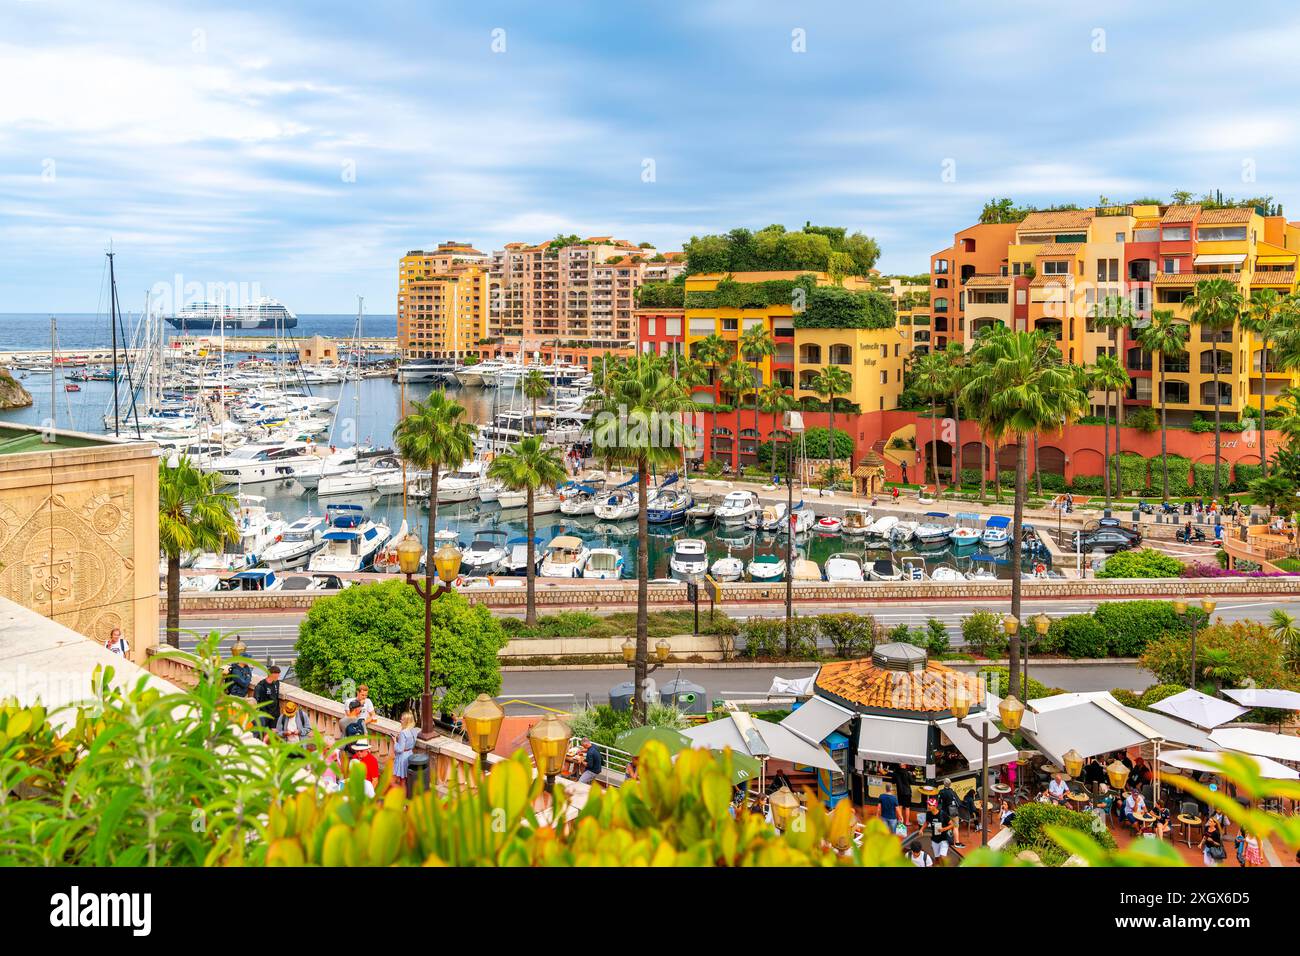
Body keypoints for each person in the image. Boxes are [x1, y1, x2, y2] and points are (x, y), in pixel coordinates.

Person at [253, 665, 282, 732]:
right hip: (265, 714)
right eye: (277, 675)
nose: (278, 677)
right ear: (272, 674)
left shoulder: (277, 683)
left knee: (273, 732)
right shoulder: (261, 686)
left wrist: (277, 712)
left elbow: (276, 697)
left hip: (274, 714)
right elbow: (256, 701)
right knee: (265, 732)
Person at [392, 711, 417, 784]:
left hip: (402, 757)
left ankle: (401, 791)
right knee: (406, 778)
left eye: (402, 720)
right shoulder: (414, 730)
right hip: (410, 754)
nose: (400, 721)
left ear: (406, 721)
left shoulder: (403, 733)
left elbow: (400, 749)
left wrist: (395, 741)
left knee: (402, 780)